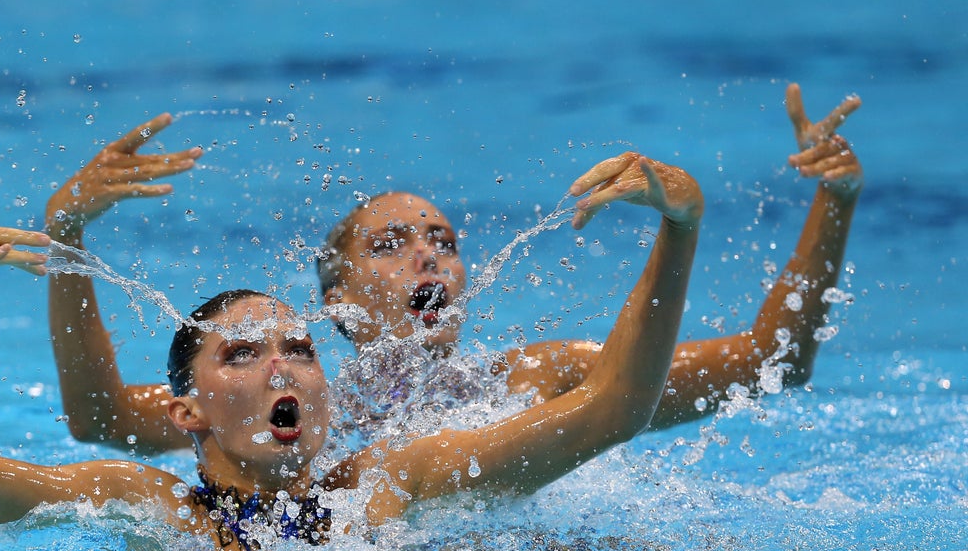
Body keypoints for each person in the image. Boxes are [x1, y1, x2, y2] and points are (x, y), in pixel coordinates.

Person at [0, 150, 704, 551]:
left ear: (327, 393)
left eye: (301, 348)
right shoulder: (147, 505)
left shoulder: (389, 483)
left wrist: (679, 229)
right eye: (240, 354)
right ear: (185, 411)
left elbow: (612, 410)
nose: (282, 366)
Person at [45, 84, 861, 452]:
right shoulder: (284, 401)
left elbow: (771, 364)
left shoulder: (538, 380)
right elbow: (98, 417)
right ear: (336, 302)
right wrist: (70, 238)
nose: (429, 252)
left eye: (442, 238)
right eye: (389, 244)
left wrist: (835, 203)